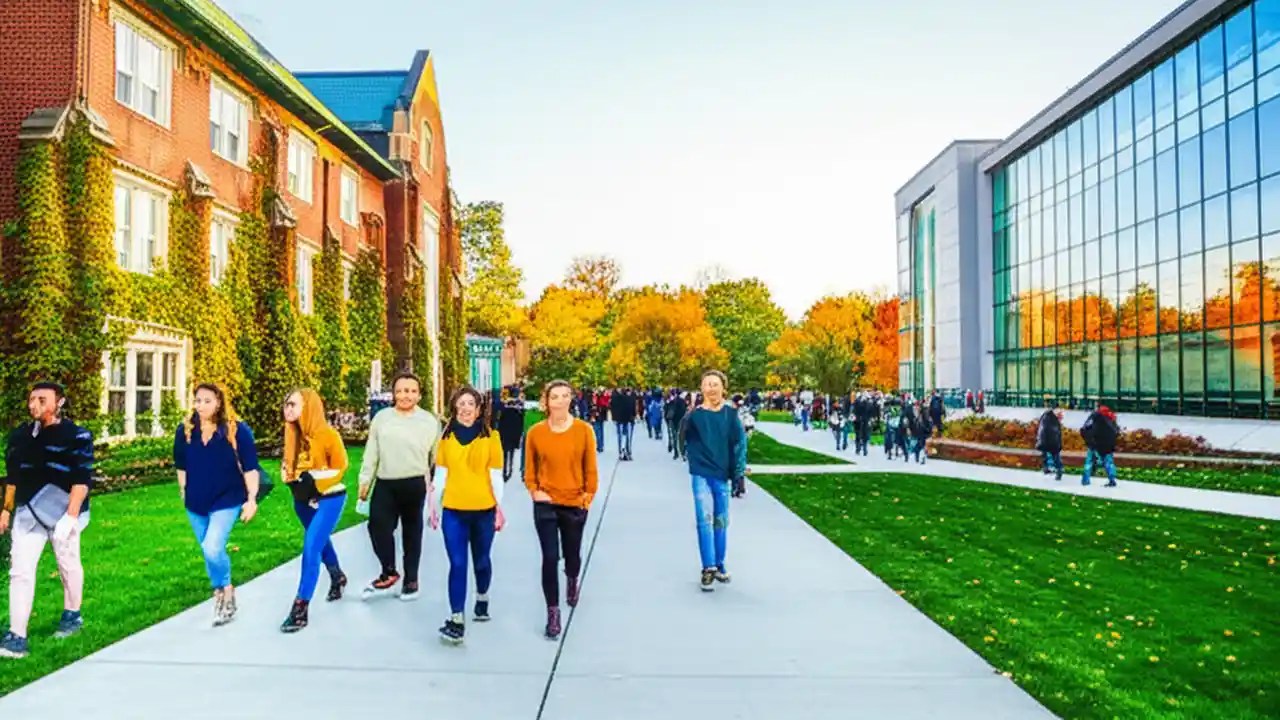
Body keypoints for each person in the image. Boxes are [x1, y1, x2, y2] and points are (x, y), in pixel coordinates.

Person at [0, 382, 95, 659]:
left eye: (42, 399)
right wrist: (6, 510)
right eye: (32, 399)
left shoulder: (77, 436)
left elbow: (82, 479)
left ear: (60, 402)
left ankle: (72, 615)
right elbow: (13, 478)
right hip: (29, 511)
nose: (34, 405)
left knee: (68, 564)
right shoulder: (19, 437)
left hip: (64, 509)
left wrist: (71, 516)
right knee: (20, 571)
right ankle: (17, 636)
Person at [173, 383, 261, 627]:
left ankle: (225, 589)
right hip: (196, 501)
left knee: (212, 547)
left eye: (207, 401)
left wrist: (251, 499)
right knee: (207, 549)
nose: (200, 406)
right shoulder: (186, 431)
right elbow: (181, 466)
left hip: (227, 498)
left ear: (219, 402)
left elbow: (251, 467)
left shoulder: (236, 431)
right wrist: (184, 492)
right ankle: (221, 591)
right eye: (197, 400)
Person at [430, 386, 506, 645]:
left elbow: (496, 477)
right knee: (458, 564)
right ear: (455, 408)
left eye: (469, 404)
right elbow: (440, 476)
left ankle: (482, 596)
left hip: (484, 511)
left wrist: (499, 508)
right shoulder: (446, 439)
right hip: (454, 511)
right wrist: (432, 506)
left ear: (478, 409)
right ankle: (456, 619)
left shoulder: (491, 438)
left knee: (482, 561)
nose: (464, 409)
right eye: (460, 404)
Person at [524, 380, 599, 639]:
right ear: (547, 401)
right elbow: (529, 470)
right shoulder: (535, 432)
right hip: (546, 503)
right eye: (555, 396)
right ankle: (552, 611)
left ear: (571, 399)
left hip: (574, 502)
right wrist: (535, 491)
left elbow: (590, 467)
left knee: (572, 554)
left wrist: (587, 497)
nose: (560, 401)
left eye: (565, 396)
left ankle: (572, 578)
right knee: (549, 557)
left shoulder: (584, 430)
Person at [358, 372, 441, 601]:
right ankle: (389, 570)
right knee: (378, 527)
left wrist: (435, 484)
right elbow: (371, 453)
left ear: (419, 394)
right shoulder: (382, 419)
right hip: (386, 483)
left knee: (412, 534)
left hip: (415, 484)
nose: (406, 395)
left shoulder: (429, 421)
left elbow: (437, 457)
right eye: (402, 390)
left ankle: (411, 580)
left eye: (412, 391)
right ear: (394, 394)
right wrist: (365, 481)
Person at [280, 388, 349, 632]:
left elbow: (341, 467)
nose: (288, 409)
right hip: (302, 500)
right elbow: (289, 470)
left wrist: (315, 480)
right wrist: (292, 480)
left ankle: (300, 608)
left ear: (308, 407)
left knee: (311, 546)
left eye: (294, 404)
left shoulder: (328, 435)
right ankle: (337, 575)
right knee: (320, 542)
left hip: (329, 497)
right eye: (286, 404)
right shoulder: (291, 436)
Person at [677, 370, 747, 592]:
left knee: (721, 520)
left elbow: (740, 444)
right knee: (704, 519)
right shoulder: (694, 416)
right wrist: (688, 454)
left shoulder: (730, 415)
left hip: (722, 473)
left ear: (723, 388)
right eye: (707, 384)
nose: (712, 388)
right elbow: (682, 437)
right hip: (701, 473)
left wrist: (738, 473)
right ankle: (707, 567)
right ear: (702, 388)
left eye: (715, 384)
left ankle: (720, 563)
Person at [1080, 405, 1119, 487]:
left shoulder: (1094, 418)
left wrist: (1088, 440)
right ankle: (1112, 479)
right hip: (1107, 446)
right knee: (1108, 462)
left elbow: (1084, 429)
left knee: (1089, 461)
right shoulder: (1111, 418)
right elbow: (1116, 431)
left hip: (1094, 444)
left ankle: (1085, 480)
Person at [496, 390, 525, 482]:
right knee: (511, 453)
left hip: (505, 435)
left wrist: (499, 434)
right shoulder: (518, 413)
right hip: (513, 436)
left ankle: (504, 471)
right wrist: (519, 437)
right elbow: (520, 426)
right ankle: (510, 470)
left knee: (504, 454)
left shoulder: (504, 412)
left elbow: (500, 424)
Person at [1035, 402, 1064, 482]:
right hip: (1049, 440)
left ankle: (1049, 469)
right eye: (1058, 409)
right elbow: (1050, 430)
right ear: (1054, 409)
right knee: (1054, 456)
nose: (1060, 411)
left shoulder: (1049, 416)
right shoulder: (1049, 417)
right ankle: (1057, 471)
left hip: (1047, 440)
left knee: (1048, 455)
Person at [610, 388, 636, 460]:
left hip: (619, 419)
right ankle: (628, 452)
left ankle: (621, 451)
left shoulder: (615, 398)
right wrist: (633, 417)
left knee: (620, 436)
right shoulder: (630, 398)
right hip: (628, 419)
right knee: (628, 436)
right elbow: (633, 410)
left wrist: (614, 418)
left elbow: (612, 408)